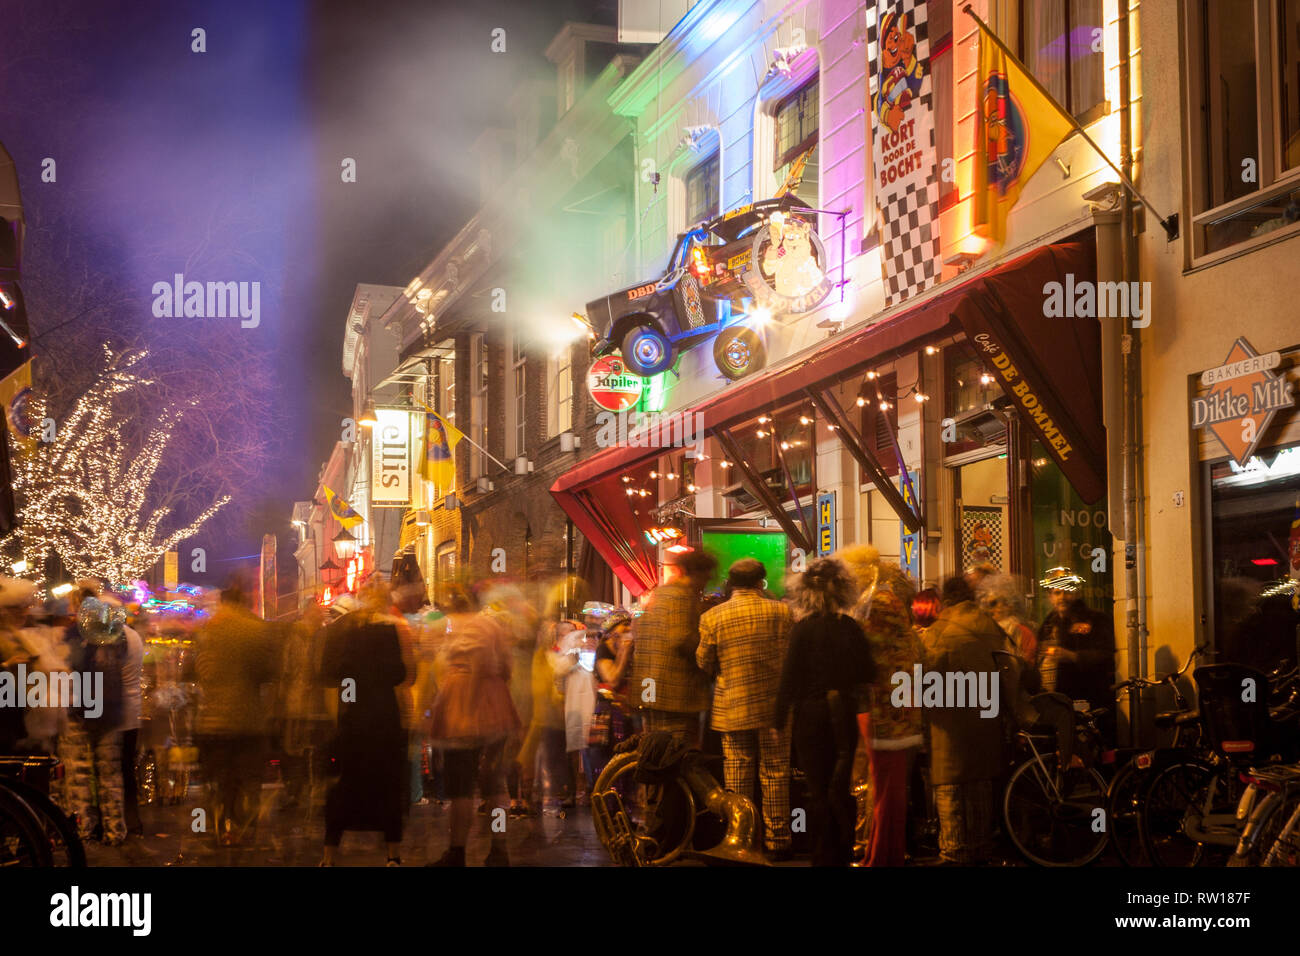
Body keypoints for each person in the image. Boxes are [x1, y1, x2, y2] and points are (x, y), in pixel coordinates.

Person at [774, 558, 873, 866]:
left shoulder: (803, 630)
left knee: (816, 788)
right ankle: (843, 851)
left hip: (810, 715)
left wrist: (778, 717)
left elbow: (790, 676)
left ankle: (822, 854)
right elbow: (868, 671)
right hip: (843, 711)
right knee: (840, 786)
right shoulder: (851, 628)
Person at [696, 558, 794, 859]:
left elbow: (703, 661)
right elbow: (793, 655)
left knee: (738, 773)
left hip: (733, 705)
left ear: (731, 582)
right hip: (775, 707)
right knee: (775, 772)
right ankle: (778, 841)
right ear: (760, 582)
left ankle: (741, 839)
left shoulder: (713, 617)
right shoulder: (783, 612)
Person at [319, 576, 412, 866]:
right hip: (384, 716)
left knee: (344, 784)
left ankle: (328, 855)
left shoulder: (342, 630)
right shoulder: (394, 629)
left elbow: (330, 674)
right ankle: (393, 856)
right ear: (387, 599)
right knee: (388, 785)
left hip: (352, 716)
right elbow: (403, 675)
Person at [842, 548, 923, 867]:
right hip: (891, 708)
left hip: (884, 709)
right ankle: (880, 852)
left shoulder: (878, 602)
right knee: (885, 787)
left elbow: (871, 654)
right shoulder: (884, 600)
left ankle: (880, 856)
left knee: (883, 788)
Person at [427, 587, 519, 866]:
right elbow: (506, 667)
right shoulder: (492, 626)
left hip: (460, 709)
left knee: (461, 788)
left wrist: (460, 697)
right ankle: (499, 849)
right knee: (494, 784)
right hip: (495, 707)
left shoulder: (451, 626)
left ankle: (457, 852)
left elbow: (452, 663)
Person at [922, 575, 1007, 865]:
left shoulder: (939, 632)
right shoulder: (991, 626)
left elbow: (923, 675)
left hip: (951, 722)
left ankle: (954, 849)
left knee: (951, 787)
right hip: (987, 716)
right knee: (980, 783)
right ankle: (981, 846)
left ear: (945, 601)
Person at [192, 577, 279, 846]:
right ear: (245, 602)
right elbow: (269, 671)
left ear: (222, 602)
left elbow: (192, 670)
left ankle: (221, 826)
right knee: (249, 779)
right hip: (247, 720)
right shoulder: (255, 629)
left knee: (221, 779)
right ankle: (246, 829)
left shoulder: (208, 630)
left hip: (213, 723)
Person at [58, 590, 130, 846]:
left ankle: (84, 830)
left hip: (80, 711)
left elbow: (71, 666)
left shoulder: (75, 634)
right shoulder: (116, 633)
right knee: (110, 774)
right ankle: (115, 830)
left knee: (79, 774)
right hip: (111, 710)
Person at [631, 549, 717, 747]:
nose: (707, 581)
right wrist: (709, 650)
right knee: (676, 750)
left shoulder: (659, 594)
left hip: (650, 687)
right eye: (706, 575)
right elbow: (681, 638)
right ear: (695, 573)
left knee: (655, 749)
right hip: (675, 692)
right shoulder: (682, 595)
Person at [1036, 569, 1117, 747]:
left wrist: (1073, 656)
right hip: (1056, 704)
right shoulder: (1048, 625)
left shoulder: (1096, 619)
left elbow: (1106, 655)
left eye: (1067, 591)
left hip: (1090, 701)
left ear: (1076, 592)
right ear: (1050, 596)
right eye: (1057, 592)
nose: (1062, 597)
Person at [587, 609, 633, 784]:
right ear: (612, 630)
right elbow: (612, 680)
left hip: (628, 711)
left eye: (630, 624)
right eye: (624, 625)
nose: (628, 629)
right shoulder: (603, 651)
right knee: (607, 761)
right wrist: (623, 655)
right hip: (608, 715)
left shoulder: (630, 647)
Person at [980, 574, 1038, 666]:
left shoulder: (1023, 633)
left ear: (1009, 606)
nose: (989, 610)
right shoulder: (985, 632)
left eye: (993, 604)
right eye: (987, 605)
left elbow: (1029, 665)